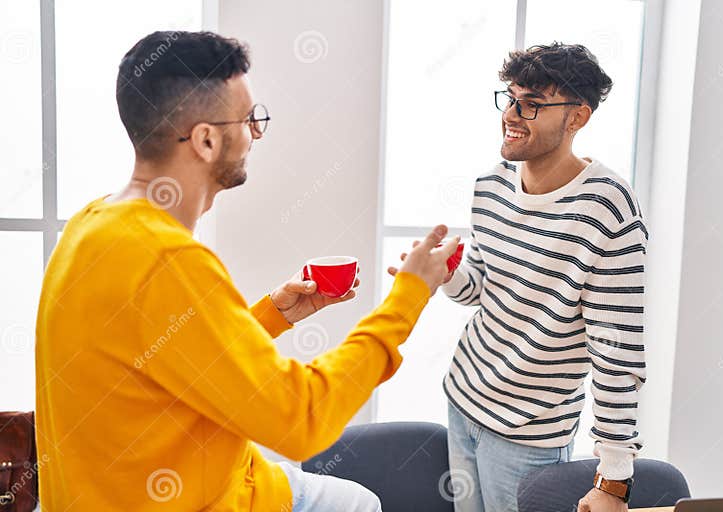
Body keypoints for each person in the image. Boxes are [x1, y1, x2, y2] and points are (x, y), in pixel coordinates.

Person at [35, 30, 459, 511]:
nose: (256, 134)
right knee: (359, 504)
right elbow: (303, 420)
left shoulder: (92, 224)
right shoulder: (167, 259)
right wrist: (410, 294)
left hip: (135, 486)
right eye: (251, 119)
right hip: (201, 498)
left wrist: (271, 315)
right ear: (207, 139)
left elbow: (161, 355)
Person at [393, 42, 647, 512]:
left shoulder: (607, 210)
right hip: (464, 397)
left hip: (529, 432)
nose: (512, 113)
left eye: (532, 104)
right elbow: (485, 290)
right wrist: (446, 274)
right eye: (510, 98)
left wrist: (613, 479)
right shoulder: (491, 186)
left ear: (577, 118)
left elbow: (617, 350)